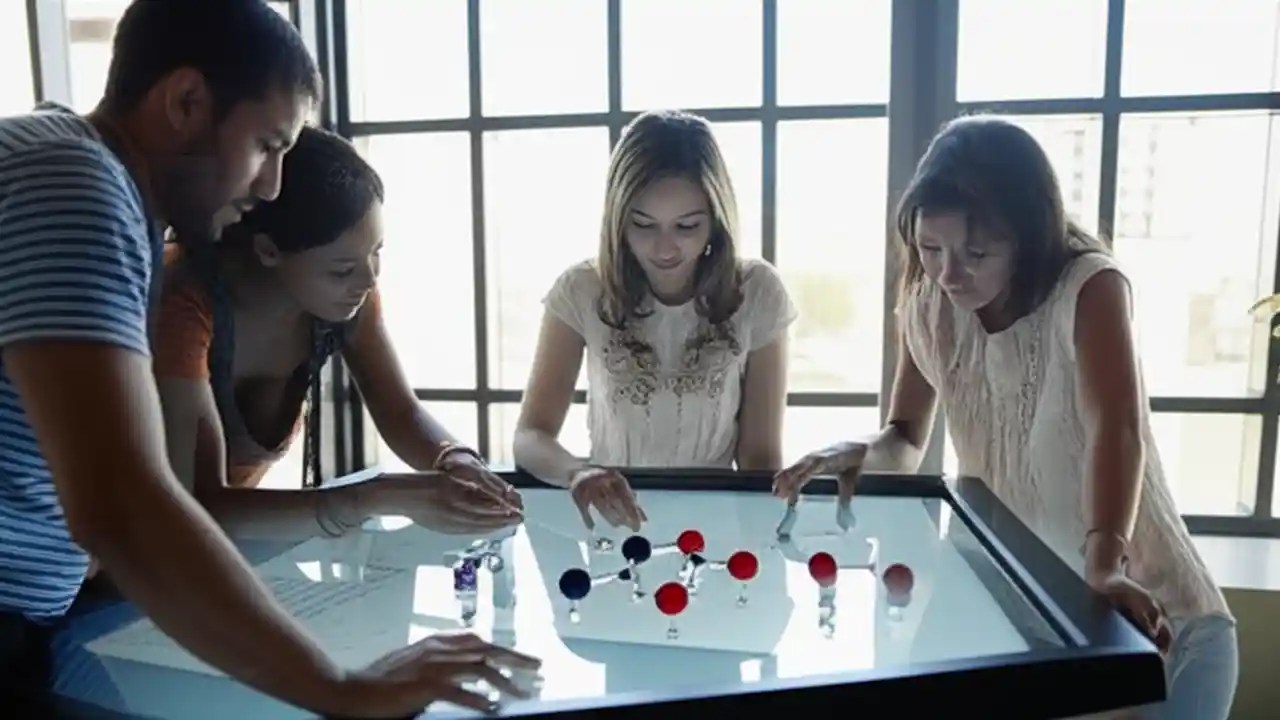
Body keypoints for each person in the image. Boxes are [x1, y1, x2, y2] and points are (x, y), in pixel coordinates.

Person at [0, 1, 537, 716]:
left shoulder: (75, 176)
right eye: (266, 146)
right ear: (186, 101)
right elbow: (125, 506)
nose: (270, 187)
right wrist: (342, 687)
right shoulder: (75, 185)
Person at [774, 115, 1236, 719]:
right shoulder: (928, 307)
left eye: (976, 252)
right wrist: (852, 453)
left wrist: (1103, 564)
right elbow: (907, 438)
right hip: (1028, 626)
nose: (948, 273)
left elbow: (1114, 429)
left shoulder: (1088, 287)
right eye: (929, 248)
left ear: (1029, 234)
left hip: (1155, 624)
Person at [153, 124, 523, 542]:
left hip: (224, 544)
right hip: (120, 555)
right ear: (267, 250)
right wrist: (372, 497)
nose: (367, 279)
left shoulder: (345, 299)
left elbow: (402, 413)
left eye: (376, 252)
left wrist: (453, 459)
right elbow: (196, 503)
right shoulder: (180, 306)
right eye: (343, 268)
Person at [514, 109, 797, 533]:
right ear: (617, 219)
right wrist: (576, 473)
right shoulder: (581, 290)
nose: (665, 248)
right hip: (615, 528)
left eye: (687, 226)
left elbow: (760, 460)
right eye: (643, 224)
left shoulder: (757, 291)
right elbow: (530, 437)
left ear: (716, 221)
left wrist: (760, 553)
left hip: (715, 535)